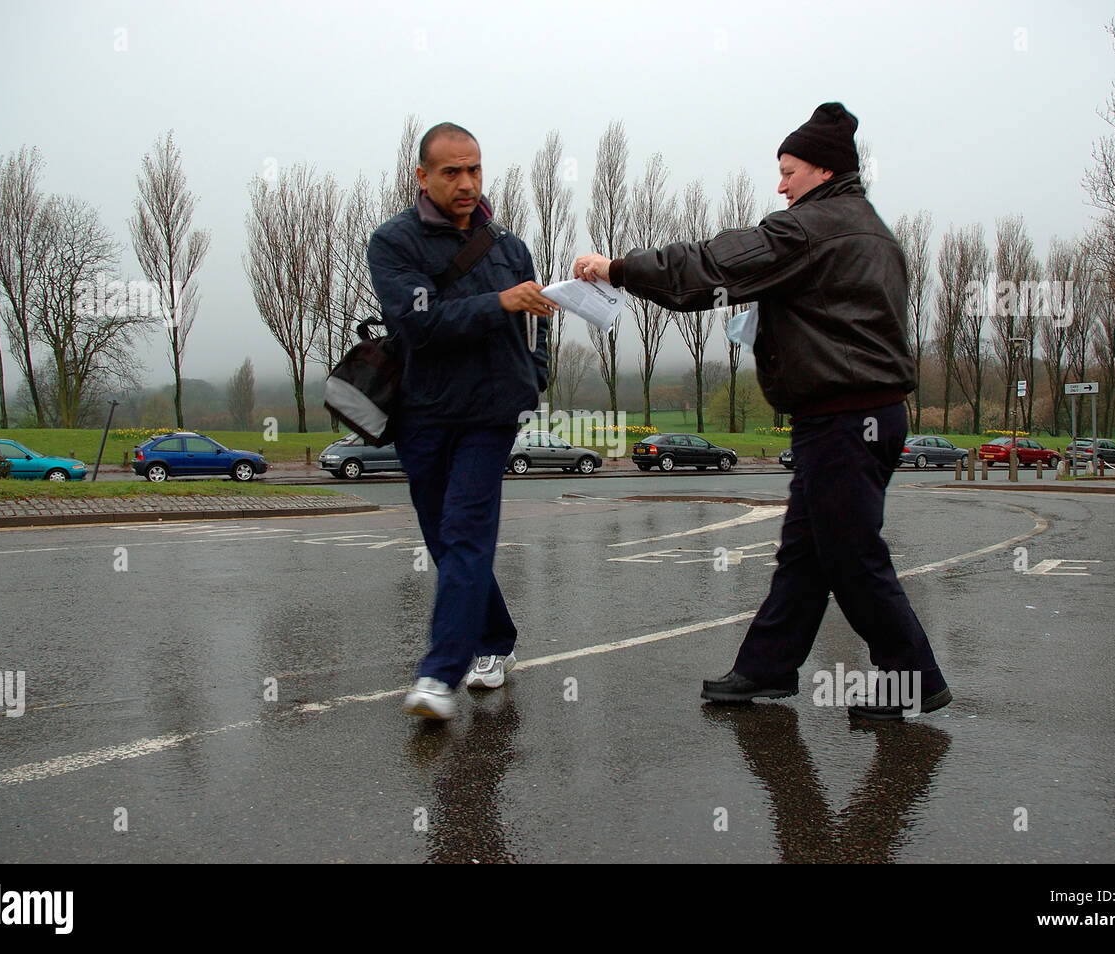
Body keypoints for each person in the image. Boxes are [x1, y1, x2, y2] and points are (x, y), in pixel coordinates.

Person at [573, 102, 950, 721]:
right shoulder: (874, 231)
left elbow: (709, 267)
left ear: (823, 171)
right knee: (807, 552)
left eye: (789, 170)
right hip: (867, 411)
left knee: (851, 554)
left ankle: (912, 676)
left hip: (842, 416)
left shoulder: (806, 229)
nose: (780, 184)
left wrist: (617, 269)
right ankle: (766, 669)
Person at [368, 122, 555, 721]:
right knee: (445, 541)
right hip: (423, 414)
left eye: (474, 169)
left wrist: (537, 371)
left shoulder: (510, 247)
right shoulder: (393, 242)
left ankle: (438, 675)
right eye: (452, 171)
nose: (467, 182)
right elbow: (418, 323)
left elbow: (537, 317)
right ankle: (496, 642)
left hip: (491, 414)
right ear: (421, 177)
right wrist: (497, 303)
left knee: (466, 533)